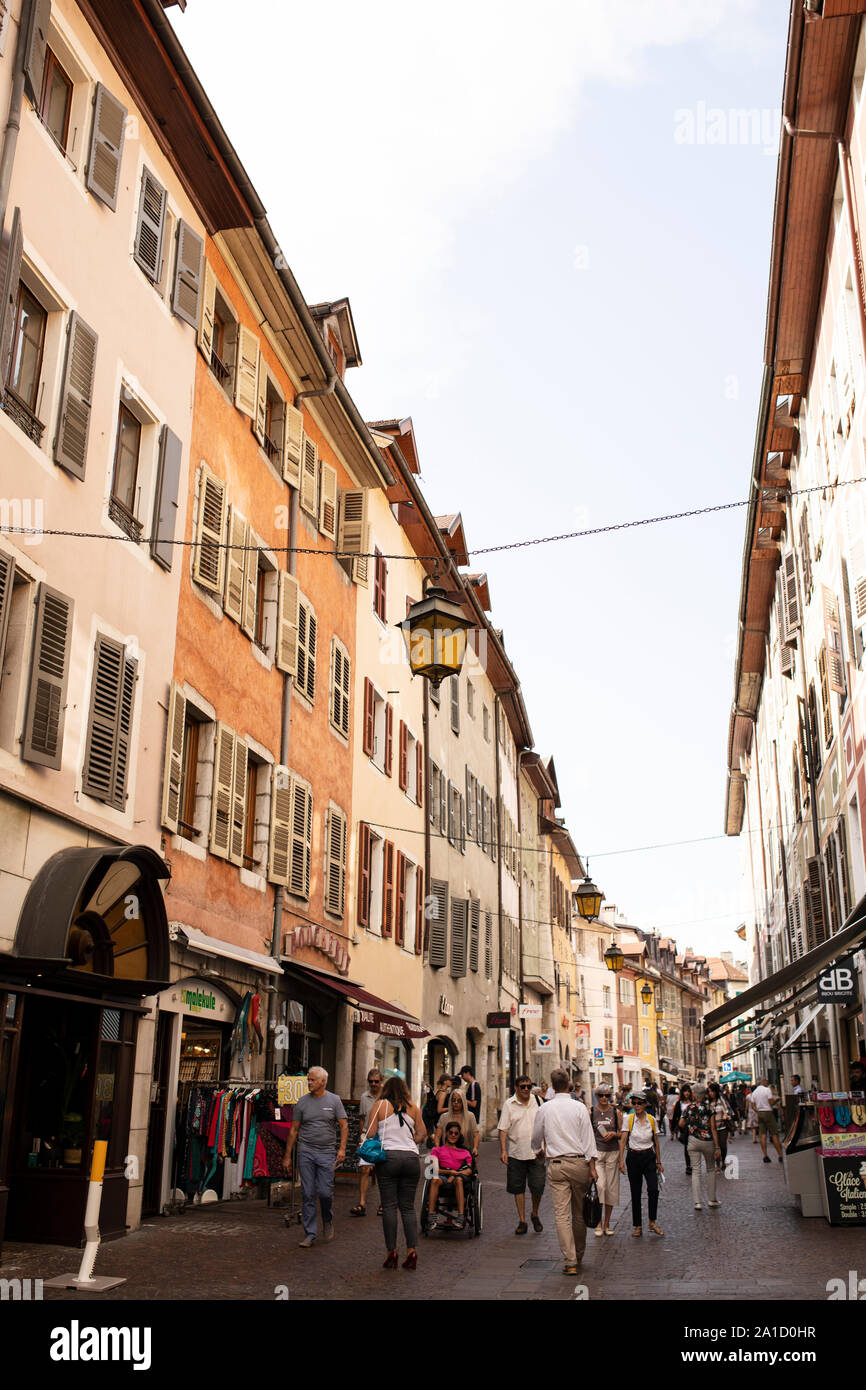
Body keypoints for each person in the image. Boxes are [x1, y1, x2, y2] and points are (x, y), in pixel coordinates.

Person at [530, 1068, 599, 1275]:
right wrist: (592, 1166)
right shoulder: (579, 1108)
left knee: (561, 1215)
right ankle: (578, 1255)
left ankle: (569, 1261)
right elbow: (588, 1139)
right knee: (578, 1214)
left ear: (552, 1086)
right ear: (569, 1084)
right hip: (579, 1163)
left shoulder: (545, 1108)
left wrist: (538, 1150)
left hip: (557, 1164)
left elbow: (535, 1136)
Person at [364, 1075, 426, 1269]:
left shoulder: (380, 1105)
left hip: (388, 1158)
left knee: (389, 1206)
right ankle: (412, 1250)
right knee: (407, 1207)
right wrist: (409, 1143)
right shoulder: (413, 1107)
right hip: (410, 1158)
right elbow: (422, 1133)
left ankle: (392, 1252)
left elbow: (370, 1133)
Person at [283, 1066, 348, 1248]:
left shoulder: (334, 1100)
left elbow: (343, 1126)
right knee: (307, 1193)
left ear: (322, 1082)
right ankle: (310, 1233)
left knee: (325, 1193)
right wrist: (287, 1156)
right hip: (306, 1152)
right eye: (308, 1080)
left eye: (312, 1080)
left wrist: (342, 1149)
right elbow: (294, 1130)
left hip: (326, 1153)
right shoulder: (302, 1102)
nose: (308, 1082)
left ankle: (327, 1219)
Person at [498, 1075, 545, 1234]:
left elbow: (545, 1126)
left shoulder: (538, 1102)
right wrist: (503, 1150)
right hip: (516, 1153)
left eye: (528, 1086)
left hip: (537, 1153)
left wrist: (546, 1146)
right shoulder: (509, 1104)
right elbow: (503, 1129)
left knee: (538, 1186)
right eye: (522, 1086)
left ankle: (535, 1213)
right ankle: (522, 1220)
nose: (526, 1089)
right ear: (516, 1088)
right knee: (518, 1188)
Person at [618, 1091, 664, 1237]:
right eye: (634, 1103)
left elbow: (656, 1142)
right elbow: (623, 1140)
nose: (636, 1106)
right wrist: (620, 1160)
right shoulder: (629, 1119)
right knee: (635, 1192)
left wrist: (659, 1161)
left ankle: (652, 1221)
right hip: (633, 1157)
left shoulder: (651, 1120)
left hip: (648, 1157)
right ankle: (637, 1225)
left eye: (639, 1103)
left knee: (653, 1189)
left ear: (645, 1104)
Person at [682, 1084, 721, 1209]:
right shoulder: (709, 1108)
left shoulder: (689, 1108)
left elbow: (681, 1123)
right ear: (705, 1094)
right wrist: (717, 1147)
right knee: (710, 1170)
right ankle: (712, 1199)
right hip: (708, 1141)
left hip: (693, 1141)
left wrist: (691, 1122)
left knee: (696, 1171)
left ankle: (697, 1202)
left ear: (694, 1094)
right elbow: (714, 1128)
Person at [428, 1123, 474, 1229]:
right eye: (451, 1132)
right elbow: (435, 1169)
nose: (453, 1135)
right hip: (443, 1175)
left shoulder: (465, 1152)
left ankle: (460, 1216)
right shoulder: (437, 1150)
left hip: (459, 1178)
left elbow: (469, 1170)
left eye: (456, 1133)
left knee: (458, 1180)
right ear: (446, 1133)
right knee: (435, 1179)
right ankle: (431, 1215)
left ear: (459, 1135)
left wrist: (455, 1174)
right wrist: (450, 1173)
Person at [351, 1068, 383, 1217]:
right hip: (367, 1136)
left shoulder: (387, 1097)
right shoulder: (364, 1097)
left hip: (383, 1136)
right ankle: (362, 1203)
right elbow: (362, 1118)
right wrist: (360, 1138)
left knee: (383, 1171)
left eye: (376, 1081)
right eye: (371, 1082)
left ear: (381, 1082)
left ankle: (383, 1204)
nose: (373, 1084)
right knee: (364, 1169)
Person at [590, 1084, 621, 1236]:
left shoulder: (616, 1112)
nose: (604, 1098)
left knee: (611, 1189)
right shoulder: (591, 1112)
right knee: (600, 1187)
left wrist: (614, 1135)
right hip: (597, 1153)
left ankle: (607, 1223)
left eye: (607, 1095)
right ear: (596, 1096)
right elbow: (587, 1135)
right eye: (601, 1095)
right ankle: (598, 1223)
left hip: (612, 1153)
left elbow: (623, 1133)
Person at [435, 1089, 479, 1158]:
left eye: (459, 1101)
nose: (456, 1103)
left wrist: (475, 1148)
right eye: (453, 1100)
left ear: (463, 1102)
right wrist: (437, 1148)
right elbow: (437, 1136)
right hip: (448, 1155)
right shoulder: (444, 1117)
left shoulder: (470, 1116)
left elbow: (475, 1135)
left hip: (466, 1154)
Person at [751, 1077, 783, 1163]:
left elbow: (752, 1105)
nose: (767, 1082)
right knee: (774, 1134)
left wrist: (757, 1111)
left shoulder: (754, 1092)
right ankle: (780, 1155)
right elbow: (771, 1102)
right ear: (763, 1081)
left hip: (760, 1113)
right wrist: (776, 1099)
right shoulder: (767, 1090)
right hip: (768, 1112)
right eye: (766, 1081)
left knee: (763, 1134)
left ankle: (765, 1155)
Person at [707, 1081, 731, 1173]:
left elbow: (727, 1110)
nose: (711, 1093)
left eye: (712, 1091)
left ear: (716, 1092)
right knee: (715, 1147)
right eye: (709, 1091)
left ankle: (723, 1160)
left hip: (722, 1127)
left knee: (723, 1146)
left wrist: (726, 1115)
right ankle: (717, 1165)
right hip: (712, 1129)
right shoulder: (707, 1103)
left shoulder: (721, 1100)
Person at [671, 1083, 694, 1175]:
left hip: (693, 1127)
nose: (687, 1093)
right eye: (685, 1091)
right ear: (682, 1092)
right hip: (684, 1128)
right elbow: (675, 1116)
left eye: (688, 1091)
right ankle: (688, 1166)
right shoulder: (679, 1103)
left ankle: (693, 1164)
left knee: (694, 1147)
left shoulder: (693, 1102)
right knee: (687, 1147)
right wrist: (673, 1128)